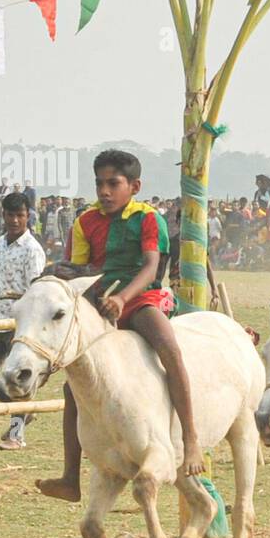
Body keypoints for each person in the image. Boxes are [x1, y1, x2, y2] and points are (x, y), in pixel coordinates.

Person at [36, 149, 204, 503]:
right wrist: (59, 271)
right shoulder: (85, 222)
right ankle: (70, 477)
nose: (105, 191)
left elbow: (149, 267)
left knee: (169, 350)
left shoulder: (147, 218)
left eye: (114, 184)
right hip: (98, 304)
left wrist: (123, 299)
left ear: (135, 186)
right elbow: (81, 270)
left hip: (141, 299)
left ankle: (190, 441)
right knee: (73, 383)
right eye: (100, 183)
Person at [0, 192, 47, 450]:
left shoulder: (32, 250)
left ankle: (16, 435)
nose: (15, 220)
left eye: (20, 215)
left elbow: (36, 292)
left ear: (28, 216)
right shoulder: (1, 243)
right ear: (3, 216)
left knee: (16, 378)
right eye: (10, 215)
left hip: (19, 324)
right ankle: (22, 412)